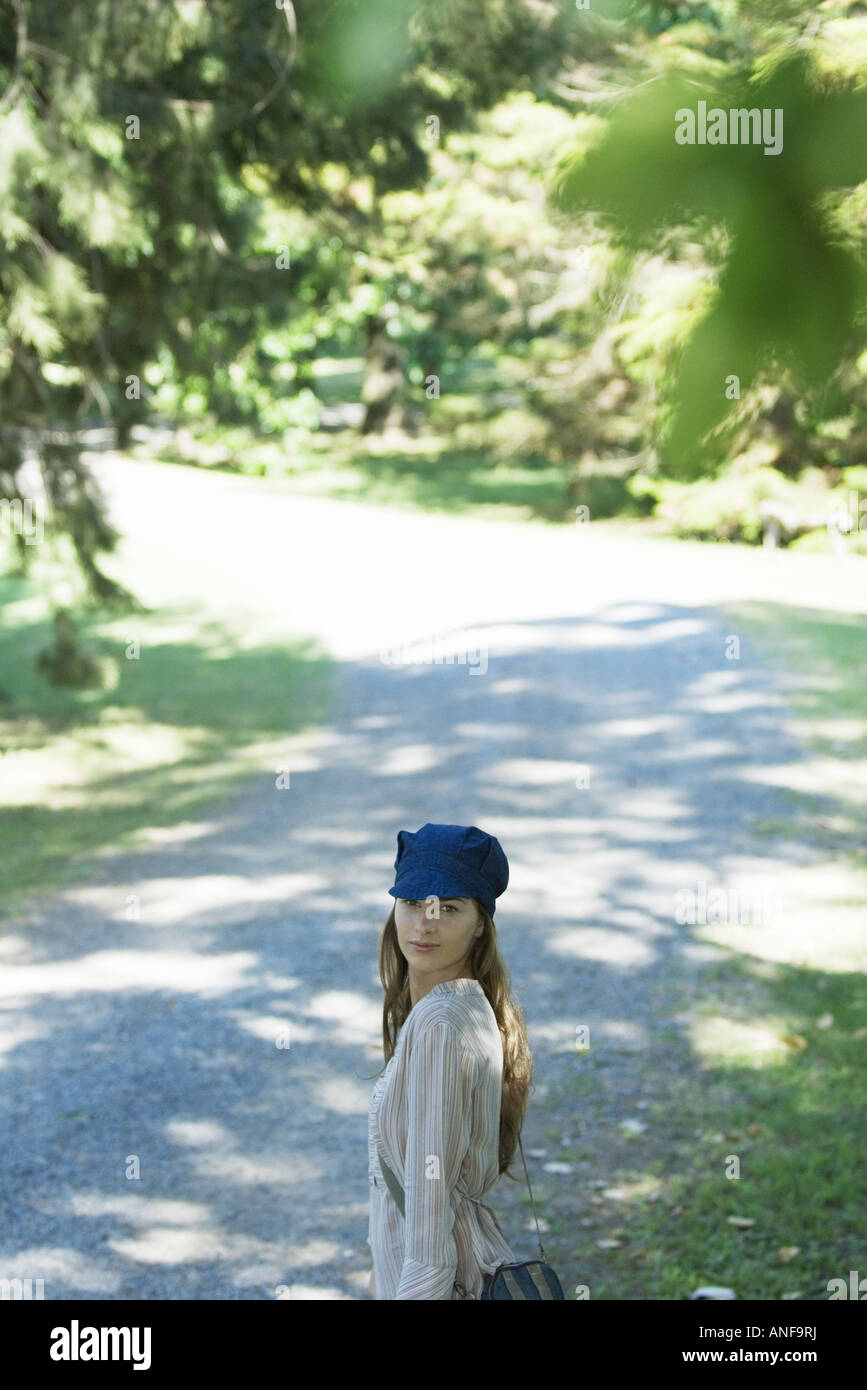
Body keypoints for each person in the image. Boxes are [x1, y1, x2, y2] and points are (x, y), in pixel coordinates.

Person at [367, 823, 533, 1299]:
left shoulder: (440, 1024)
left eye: (449, 908)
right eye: (413, 902)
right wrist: (378, 1272)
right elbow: (396, 1187)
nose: (425, 923)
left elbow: (430, 1204)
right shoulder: (460, 1006)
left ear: (480, 924)